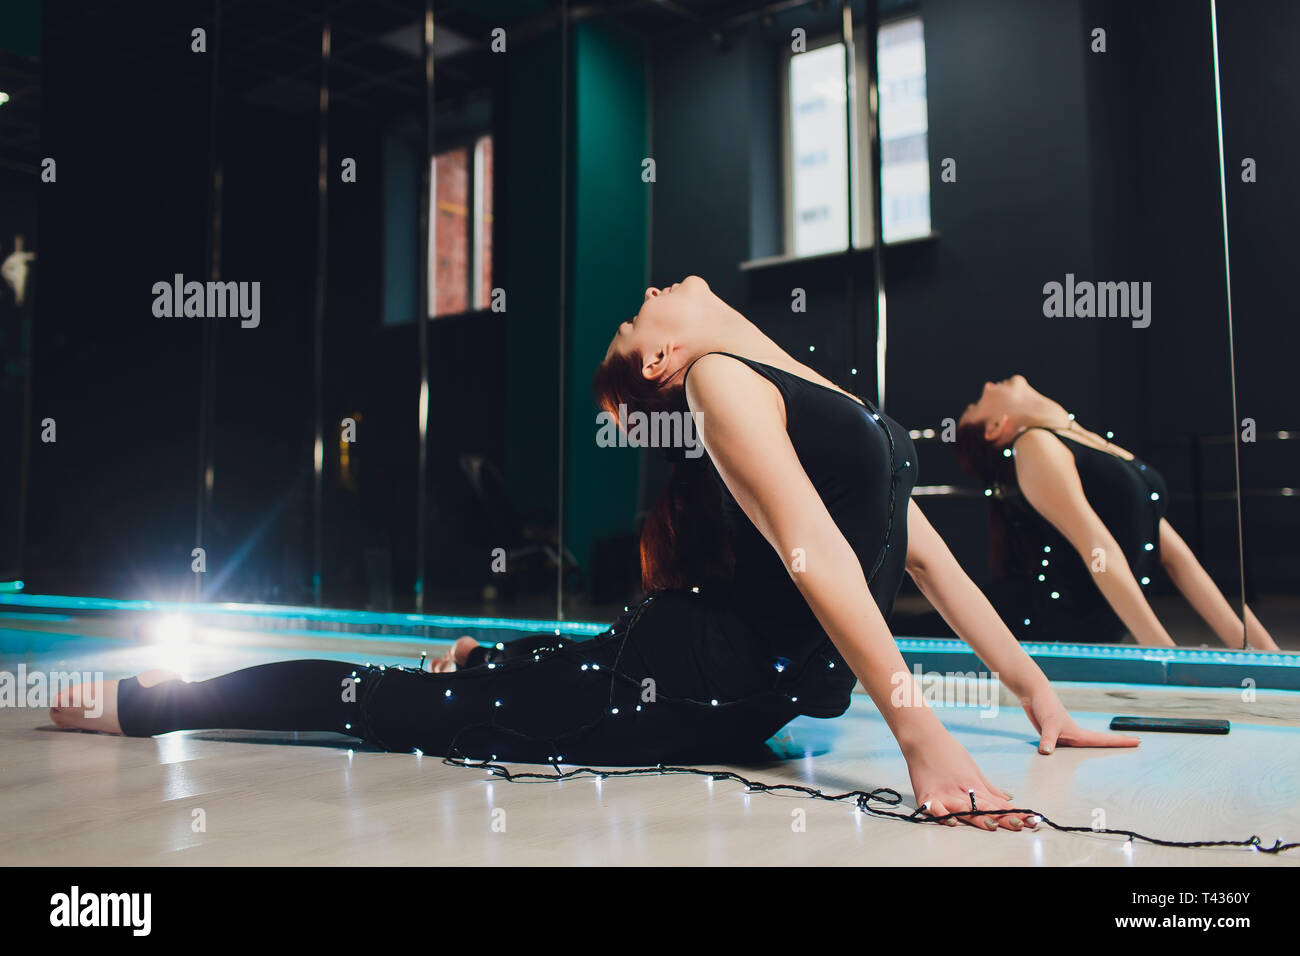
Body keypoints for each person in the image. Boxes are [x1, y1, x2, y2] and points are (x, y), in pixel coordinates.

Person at [51, 276, 1137, 832]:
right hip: (680, 679)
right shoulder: (719, 384)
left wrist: (1036, 693)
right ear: (667, 354)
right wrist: (923, 737)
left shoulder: (821, 390)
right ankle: (152, 698)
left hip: (715, 674)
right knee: (376, 702)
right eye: (638, 314)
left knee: (557, 657)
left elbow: (927, 563)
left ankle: (482, 655)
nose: (651, 287)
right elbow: (812, 555)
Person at [954, 374, 1277, 650]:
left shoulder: (1081, 440)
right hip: (1051, 627)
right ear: (996, 427)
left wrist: (1249, 645)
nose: (987, 386)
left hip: (1087, 627)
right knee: (918, 631)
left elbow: (1176, 557)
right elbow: (1097, 548)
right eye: (977, 404)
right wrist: (1164, 655)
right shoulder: (1034, 443)